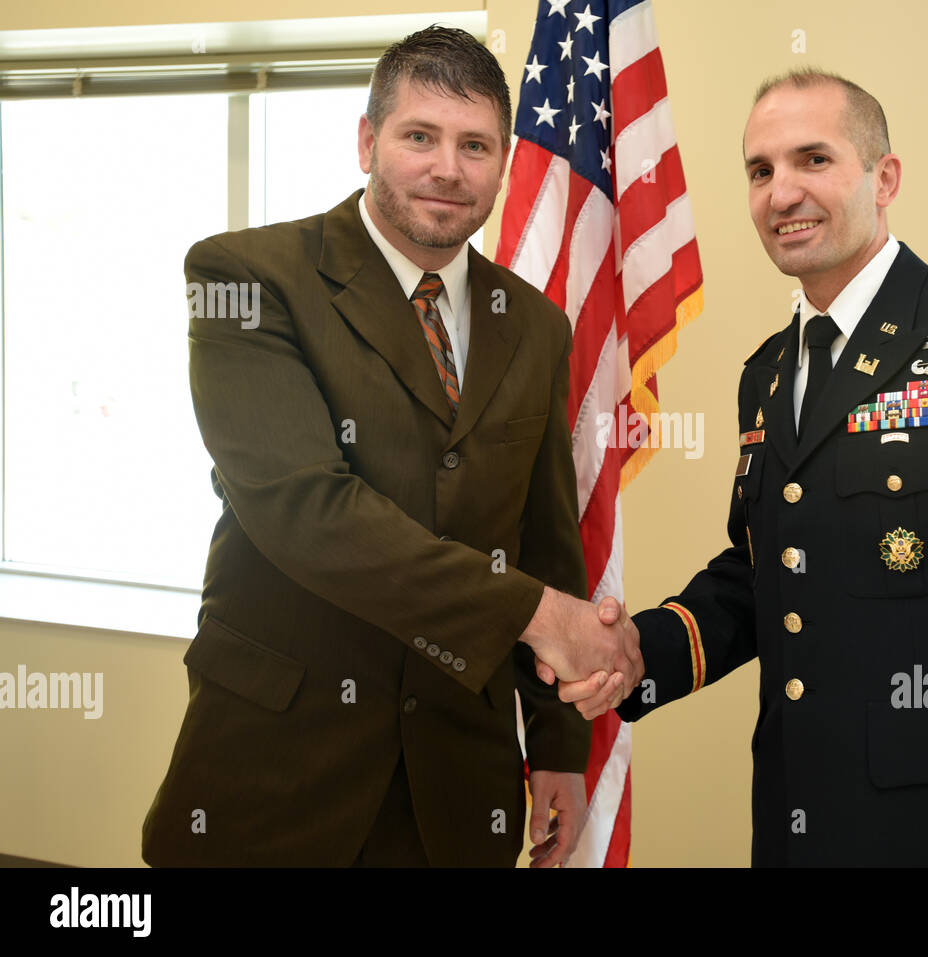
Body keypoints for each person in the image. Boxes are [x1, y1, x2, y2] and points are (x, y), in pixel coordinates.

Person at [551, 68, 928, 867]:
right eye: (760, 170)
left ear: (884, 178)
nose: (782, 192)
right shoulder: (769, 372)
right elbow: (765, 574)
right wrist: (640, 652)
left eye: (812, 160)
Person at [141, 24, 640, 868]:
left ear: (501, 165)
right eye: (420, 136)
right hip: (278, 774)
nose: (448, 168)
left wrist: (558, 746)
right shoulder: (244, 277)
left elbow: (550, 539)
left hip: (459, 786)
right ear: (368, 141)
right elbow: (309, 512)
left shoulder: (538, 326)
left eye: (475, 144)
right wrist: (534, 614)